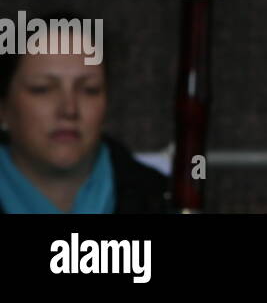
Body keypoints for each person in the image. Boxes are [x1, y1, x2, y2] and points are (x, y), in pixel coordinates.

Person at [0, 18, 169, 214]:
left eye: (89, 90)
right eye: (42, 89)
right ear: (3, 107)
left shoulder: (159, 199)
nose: (69, 109)